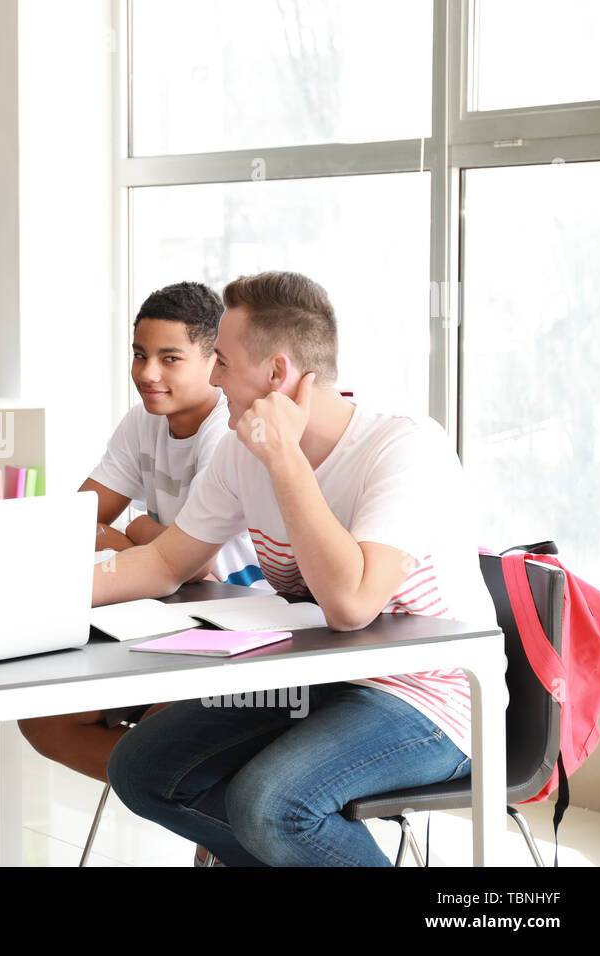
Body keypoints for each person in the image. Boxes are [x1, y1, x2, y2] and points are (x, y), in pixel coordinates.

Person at [102, 271, 496, 867]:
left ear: (278, 376)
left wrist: (285, 459)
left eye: (224, 364)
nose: (212, 379)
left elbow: (352, 603)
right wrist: (26, 599)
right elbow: (162, 562)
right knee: (143, 769)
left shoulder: (406, 447)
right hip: (323, 678)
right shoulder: (241, 451)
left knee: (271, 803)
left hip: (432, 694)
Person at [18, 282, 261, 784]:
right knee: (42, 717)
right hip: (163, 617)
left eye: (170, 358)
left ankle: (188, 796)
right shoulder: (143, 421)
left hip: (232, 628)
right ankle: (188, 793)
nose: (148, 374)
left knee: (160, 736)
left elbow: (196, 566)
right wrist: (146, 536)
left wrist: (131, 530)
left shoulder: (226, 430)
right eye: (139, 355)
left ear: (215, 362)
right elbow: (73, 522)